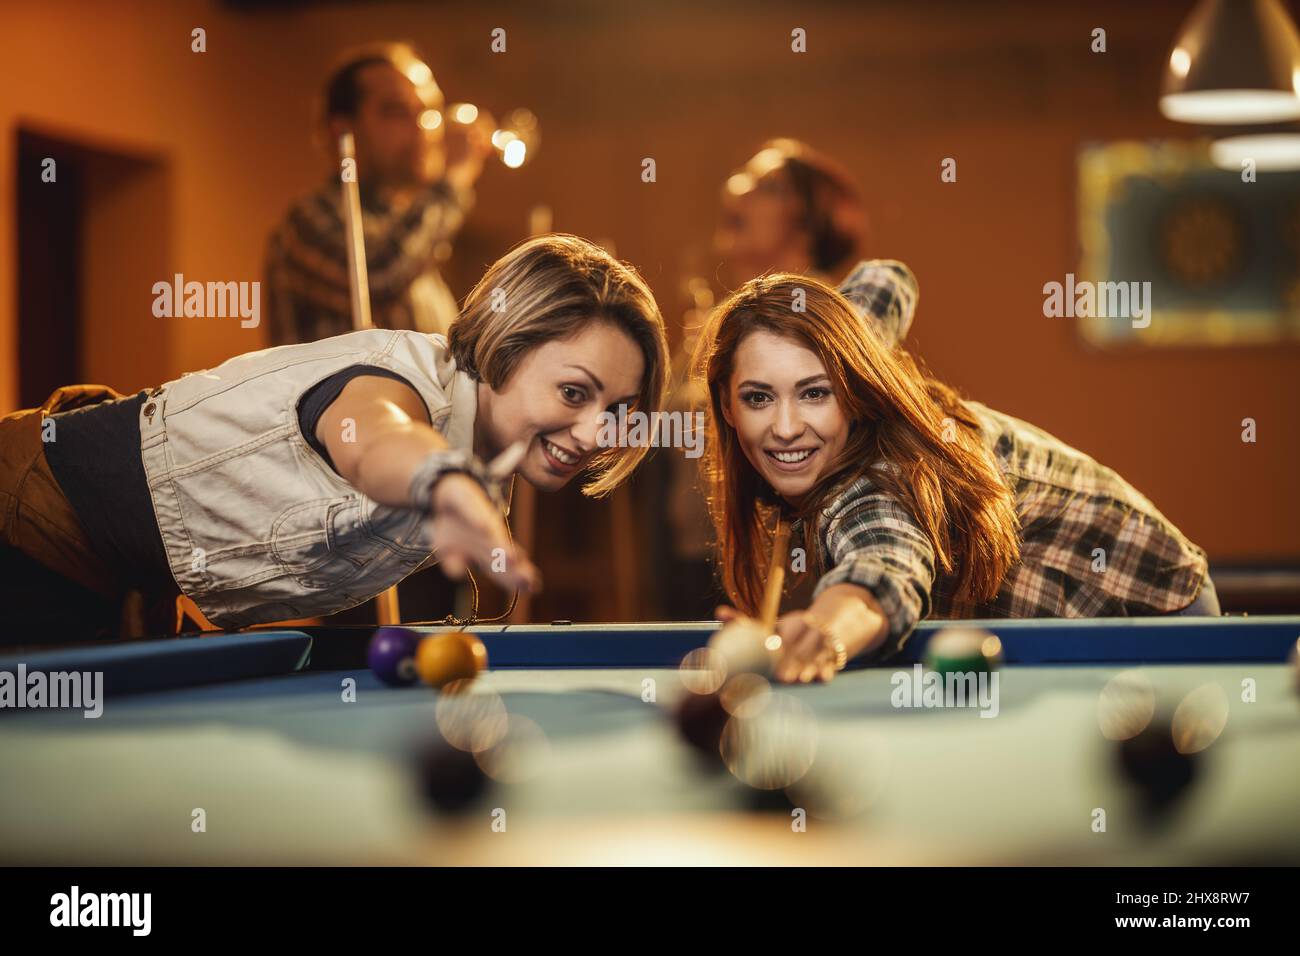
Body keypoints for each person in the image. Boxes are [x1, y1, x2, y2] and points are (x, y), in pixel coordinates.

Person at [0, 235, 668, 645]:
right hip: (31, 516)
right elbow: (378, 442)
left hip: (114, 577)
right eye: (575, 393)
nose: (594, 432)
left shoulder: (491, 470)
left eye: (619, 407)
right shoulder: (403, 385)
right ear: (507, 346)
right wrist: (440, 482)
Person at [693, 273, 1217, 683]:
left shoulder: (872, 484)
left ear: (853, 390)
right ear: (727, 404)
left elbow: (883, 565)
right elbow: (888, 279)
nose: (785, 428)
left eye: (815, 393)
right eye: (759, 397)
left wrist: (826, 629)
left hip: (1150, 609)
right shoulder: (857, 342)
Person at [264, 41, 493, 345]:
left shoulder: (407, 229)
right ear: (343, 129)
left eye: (427, 111)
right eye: (396, 111)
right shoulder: (308, 220)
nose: (421, 128)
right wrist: (450, 185)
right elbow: (376, 279)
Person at [715, 138, 866, 289]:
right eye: (746, 178)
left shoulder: (802, 307)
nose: (738, 191)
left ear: (807, 229)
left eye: (769, 188)